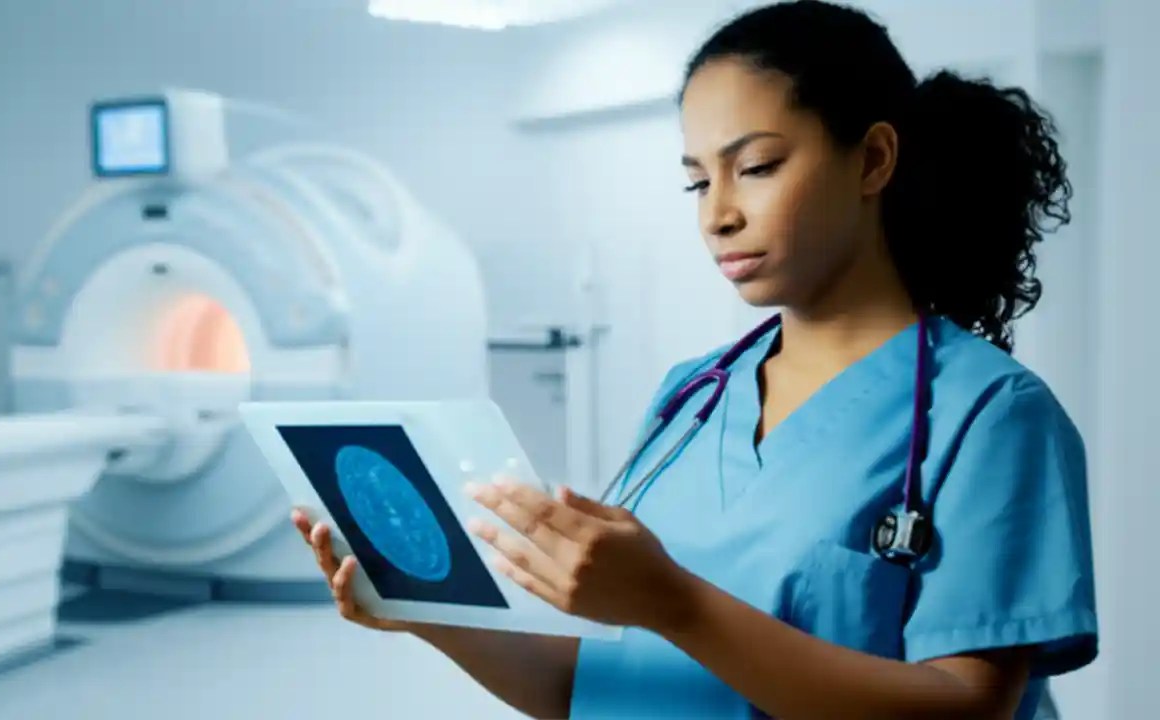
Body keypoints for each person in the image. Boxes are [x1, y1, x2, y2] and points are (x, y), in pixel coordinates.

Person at [291, 1, 1098, 717]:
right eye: (695, 182)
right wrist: (431, 613)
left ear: (874, 161)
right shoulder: (693, 398)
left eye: (755, 168)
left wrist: (675, 602)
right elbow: (598, 688)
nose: (717, 214)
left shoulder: (990, 416)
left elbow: (967, 706)